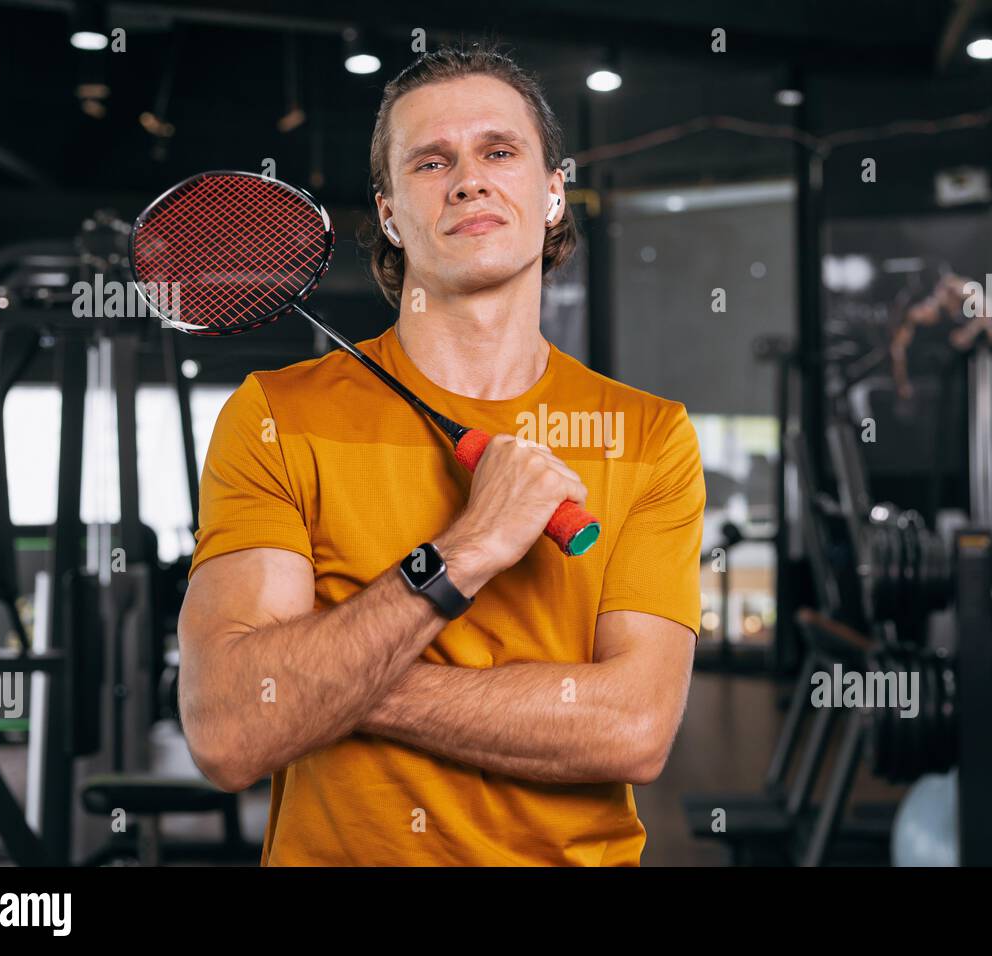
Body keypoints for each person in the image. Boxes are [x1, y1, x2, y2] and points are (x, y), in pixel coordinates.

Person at [176, 42, 706, 866]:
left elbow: (633, 729)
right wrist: (468, 547)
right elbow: (229, 727)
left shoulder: (649, 435)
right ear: (389, 214)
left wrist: (335, 684)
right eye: (431, 162)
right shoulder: (277, 417)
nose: (469, 179)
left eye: (500, 151)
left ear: (554, 191)